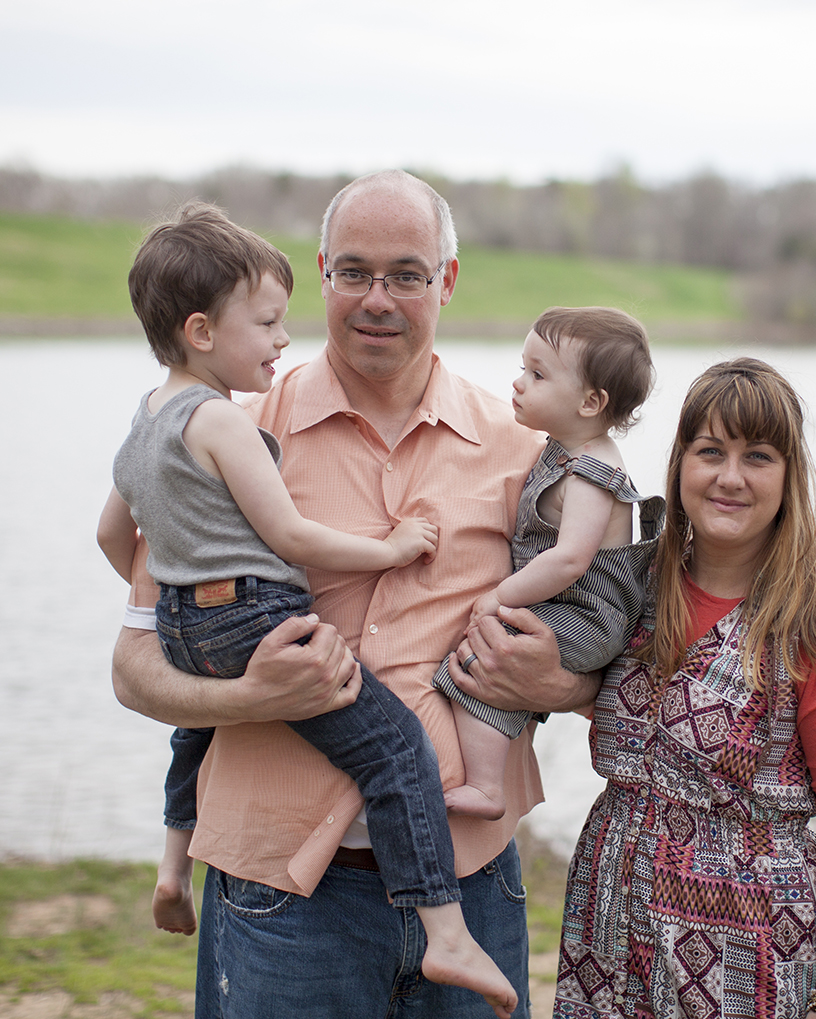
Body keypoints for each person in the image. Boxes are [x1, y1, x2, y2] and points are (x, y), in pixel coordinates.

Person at [109, 171, 598, 1018]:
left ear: (446, 281)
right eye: (355, 273)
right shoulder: (232, 430)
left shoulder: (526, 452)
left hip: (472, 881)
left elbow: (609, 652)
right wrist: (245, 694)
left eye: (407, 274)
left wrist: (557, 683)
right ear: (324, 272)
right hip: (281, 898)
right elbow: (135, 665)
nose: (378, 298)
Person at [547, 358, 816, 1019]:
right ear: (680, 466)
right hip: (608, 925)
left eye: (757, 456)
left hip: (750, 954)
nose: (730, 477)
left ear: (789, 477)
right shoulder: (633, 586)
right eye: (710, 451)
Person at [433, 306, 664, 819]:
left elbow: (569, 560)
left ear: (590, 402)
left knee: (489, 653)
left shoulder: (592, 471)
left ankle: (488, 785)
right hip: (572, 607)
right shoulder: (563, 450)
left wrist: (499, 598)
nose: (518, 383)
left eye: (537, 375)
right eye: (523, 367)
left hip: (590, 617)